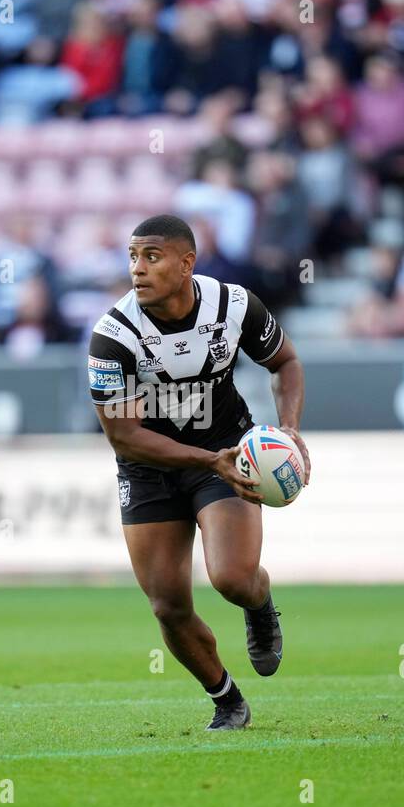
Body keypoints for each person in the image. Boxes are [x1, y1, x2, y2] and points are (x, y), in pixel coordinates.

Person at [87, 214, 310, 731]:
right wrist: (208, 460)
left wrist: (290, 430)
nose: (137, 269)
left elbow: (286, 364)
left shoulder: (234, 306)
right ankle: (227, 699)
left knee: (232, 578)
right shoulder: (112, 336)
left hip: (226, 454)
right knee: (167, 604)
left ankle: (259, 602)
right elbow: (124, 436)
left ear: (187, 263)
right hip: (149, 468)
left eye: (152, 256)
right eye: (132, 257)